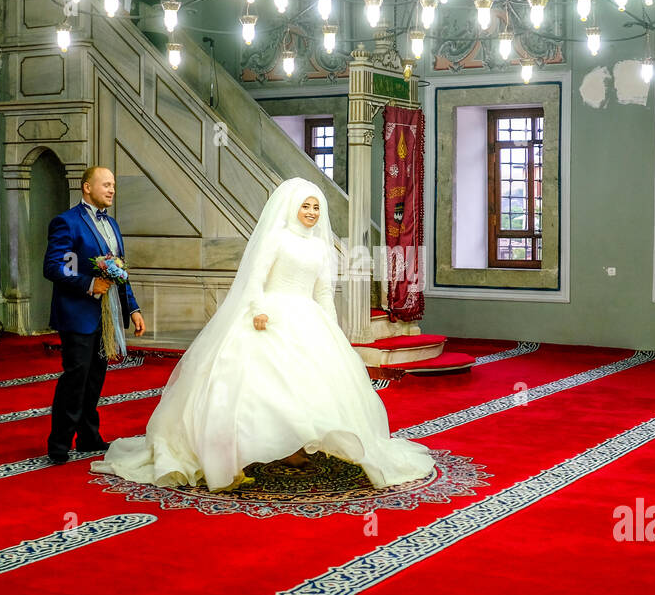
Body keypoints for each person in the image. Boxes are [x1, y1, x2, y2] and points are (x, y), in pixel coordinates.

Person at [93, 177, 435, 492]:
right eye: (305, 205)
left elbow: (323, 293)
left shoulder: (320, 248)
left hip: (309, 319)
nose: (312, 212)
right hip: (269, 315)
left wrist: (332, 328)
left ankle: (298, 443)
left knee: (308, 386)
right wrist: (257, 310)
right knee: (262, 387)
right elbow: (255, 279)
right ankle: (254, 448)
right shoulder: (276, 238)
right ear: (291, 207)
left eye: (316, 207)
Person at [44, 166, 146, 464]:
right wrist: (88, 284)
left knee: (95, 378)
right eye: (106, 184)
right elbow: (54, 267)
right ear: (87, 187)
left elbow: (118, 272)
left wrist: (134, 308)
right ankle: (59, 443)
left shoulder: (112, 224)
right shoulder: (66, 222)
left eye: (113, 184)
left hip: (108, 314)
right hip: (77, 313)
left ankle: (89, 437)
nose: (112, 190)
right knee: (76, 376)